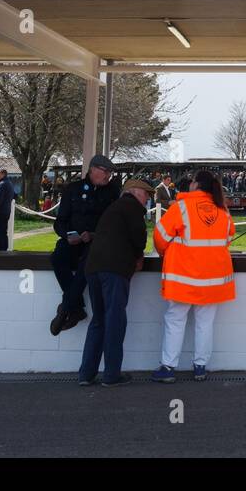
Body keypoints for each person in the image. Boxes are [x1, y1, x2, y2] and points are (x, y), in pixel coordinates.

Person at [151, 170, 236, 383]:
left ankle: (168, 368)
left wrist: (166, 252)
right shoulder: (223, 211)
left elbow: (160, 237)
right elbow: (228, 237)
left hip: (183, 278)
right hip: (214, 279)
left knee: (175, 320)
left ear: (197, 185)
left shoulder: (181, 208)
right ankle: (200, 367)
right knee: (205, 323)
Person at [78, 178, 151, 386]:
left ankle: (86, 373)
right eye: (146, 194)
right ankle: (111, 374)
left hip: (93, 267)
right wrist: (138, 257)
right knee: (115, 320)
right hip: (115, 269)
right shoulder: (133, 208)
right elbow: (139, 238)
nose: (147, 199)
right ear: (135, 193)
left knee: (98, 320)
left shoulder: (114, 208)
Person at [49, 154, 121, 336]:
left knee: (86, 265)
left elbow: (113, 225)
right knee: (58, 258)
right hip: (73, 241)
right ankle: (76, 307)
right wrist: (67, 235)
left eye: (110, 173)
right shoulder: (73, 189)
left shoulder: (112, 193)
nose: (108, 176)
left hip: (97, 243)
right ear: (93, 169)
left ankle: (66, 308)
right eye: (105, 172)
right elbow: (60, 222)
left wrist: (94, 235)